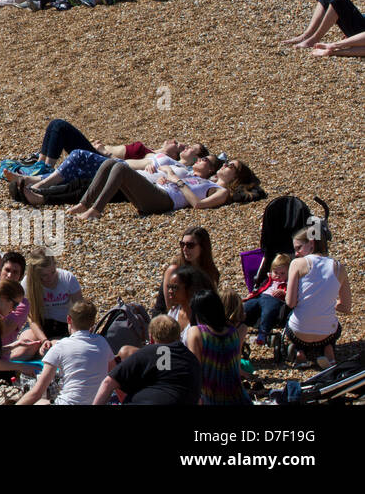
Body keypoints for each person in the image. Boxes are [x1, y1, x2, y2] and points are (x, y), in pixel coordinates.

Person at [70, 153, 262, 220]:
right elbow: (173, 171)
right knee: (110, 163)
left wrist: (176, 181)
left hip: (165, 202)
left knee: (120, 168)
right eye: (227, 163)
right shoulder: (205, 180)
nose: (225, 165)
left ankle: (96, 210)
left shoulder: (221, 192)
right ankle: (84, 203)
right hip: (160, 192)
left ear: (235, 177)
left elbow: (198, 205)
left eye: (231, 166)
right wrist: (166, 177)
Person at [18, 299, 114, 404]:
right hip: (98, 402)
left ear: (69, 319)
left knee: (37, 401)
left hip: (68, 402)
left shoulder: (61, 347)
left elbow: (36, 393)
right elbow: (113, 374)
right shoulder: (102, 342)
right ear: (93, 322)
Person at [93, 315, 201, 404]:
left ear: (152, 338)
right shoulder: (192, 359)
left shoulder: (151, 351)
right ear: (179, 336)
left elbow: (108, 382)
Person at [286, 225, 352, 367]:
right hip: (327, 333)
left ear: (311, 243)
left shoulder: (297, 264)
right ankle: (328, 350)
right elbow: (346, 307)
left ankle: (300, 351)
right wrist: (326, 302)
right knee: (333, 325)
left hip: (298, 333)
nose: (296, 253)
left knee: (291, 317)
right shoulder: (339, 267)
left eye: (298, 248)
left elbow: (290, 302)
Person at [185, 289, 247, 404]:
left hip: (210, 398)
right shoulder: (233, 332)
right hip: (238, 397)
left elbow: (194, 370)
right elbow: (236, 367)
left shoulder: (196, 332)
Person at [23, 248, 83, 339]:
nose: (50, 278)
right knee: (26, 343)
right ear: (36, 274)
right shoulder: (27, 283)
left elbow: (80, 310)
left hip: (65, 324)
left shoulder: (67, 278)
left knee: (56, 345)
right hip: (39, 324)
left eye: (53, 272)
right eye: (44, 275)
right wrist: (44, 340)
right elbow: (32, 318)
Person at [243, 253, 290, 344]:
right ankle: (238, 323)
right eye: (275, 272)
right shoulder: (268, 280)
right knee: (247, 306)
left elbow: (291, 295)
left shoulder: (287, 283)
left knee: (268, 311)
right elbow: (260, 288)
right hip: (260, 297)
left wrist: (284, 293)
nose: (278, 276)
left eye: (282, 273)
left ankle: (263, 333)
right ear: (271, 271)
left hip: (274, 300)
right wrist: (252, 294)